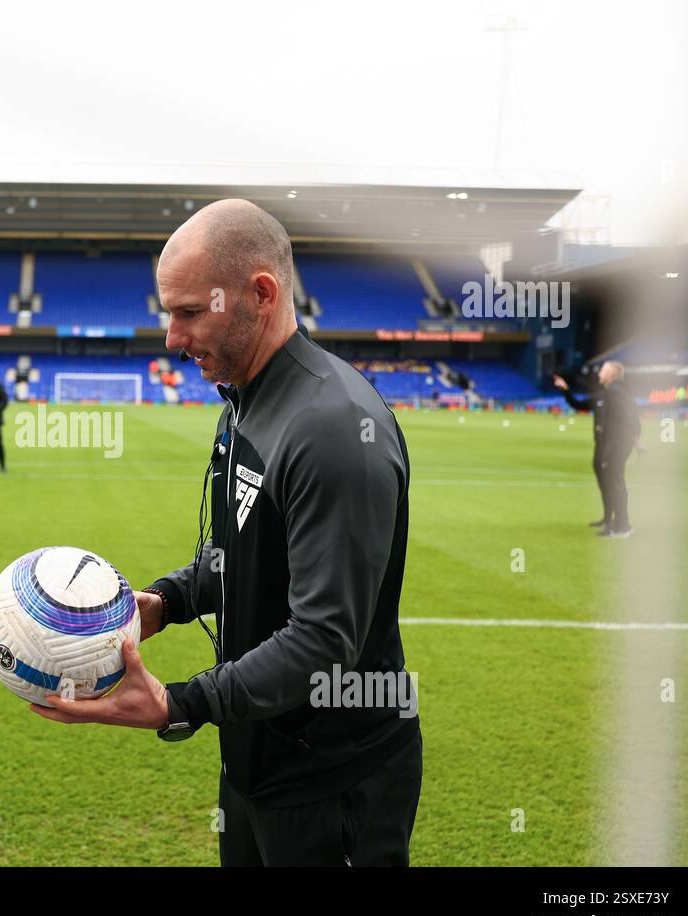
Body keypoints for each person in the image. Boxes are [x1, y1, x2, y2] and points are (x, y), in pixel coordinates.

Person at [30, 199, 421, 866]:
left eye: (188, 312)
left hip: (335, 782)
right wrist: (164, 603)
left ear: (260, 294)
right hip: (254, 763)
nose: (171, 339)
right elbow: (239, 552)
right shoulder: (245, 401)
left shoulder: (332, 431)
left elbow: (324, 639)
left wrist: (179, 703)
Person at [554, 362, 639, 537]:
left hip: (614, 444)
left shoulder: (617, 393)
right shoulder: (605, 394)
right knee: (609, 483)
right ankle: (611, 520)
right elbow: (578, 404)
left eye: (603, 370)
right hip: (604, 445)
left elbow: (630, 417)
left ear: (612, 375)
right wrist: (565, 389)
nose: (599, 373)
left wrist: (635, 439)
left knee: (615, 484)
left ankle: (622, 525)